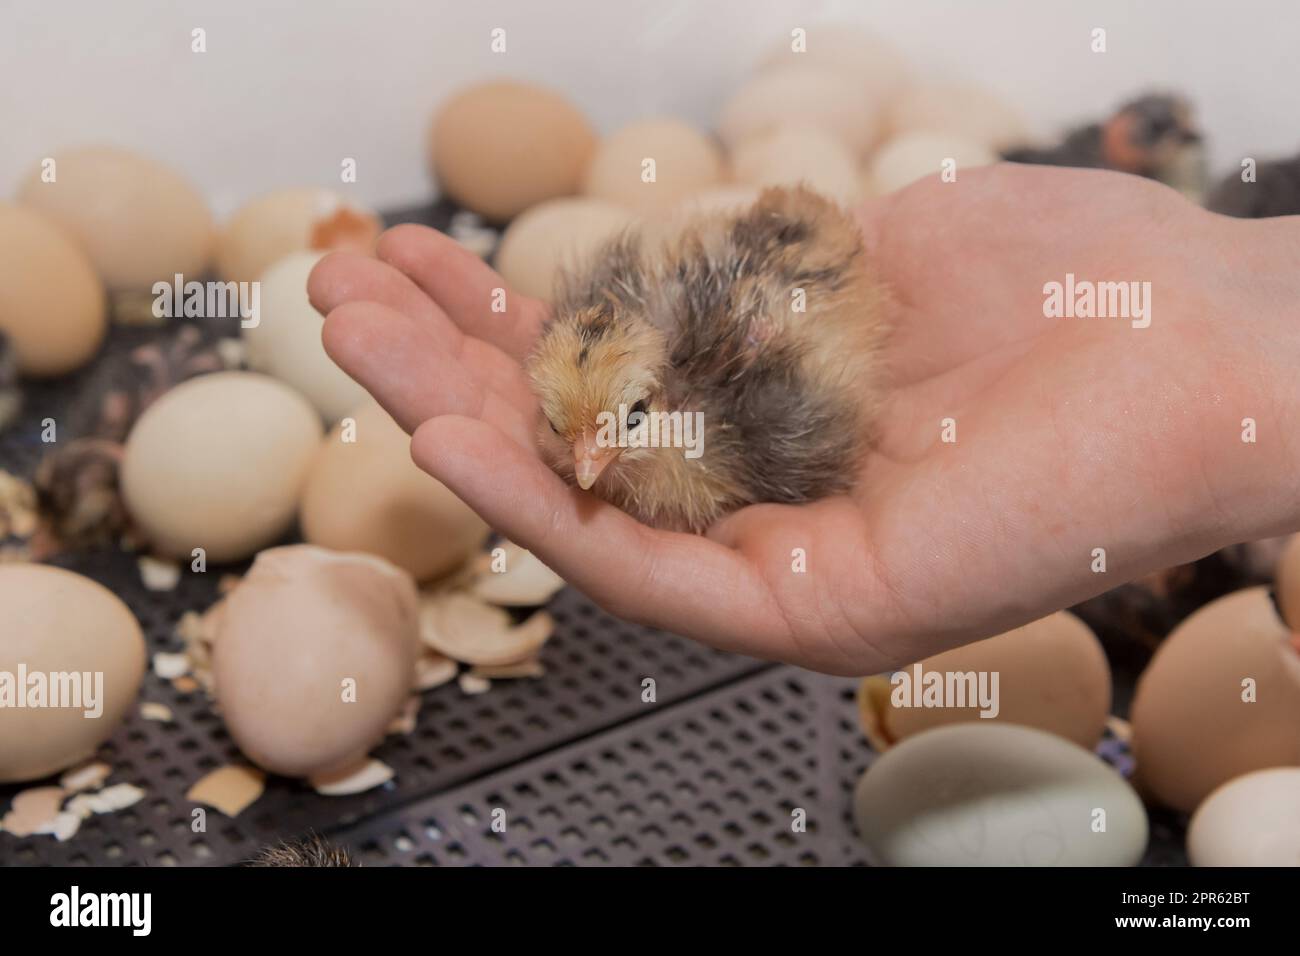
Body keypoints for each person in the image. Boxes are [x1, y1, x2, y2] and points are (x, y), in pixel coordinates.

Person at [307, 165, 1299, 675]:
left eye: (618, 422)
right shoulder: (632, 396)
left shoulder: (768, 418)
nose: (587, 458)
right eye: (576, 431)